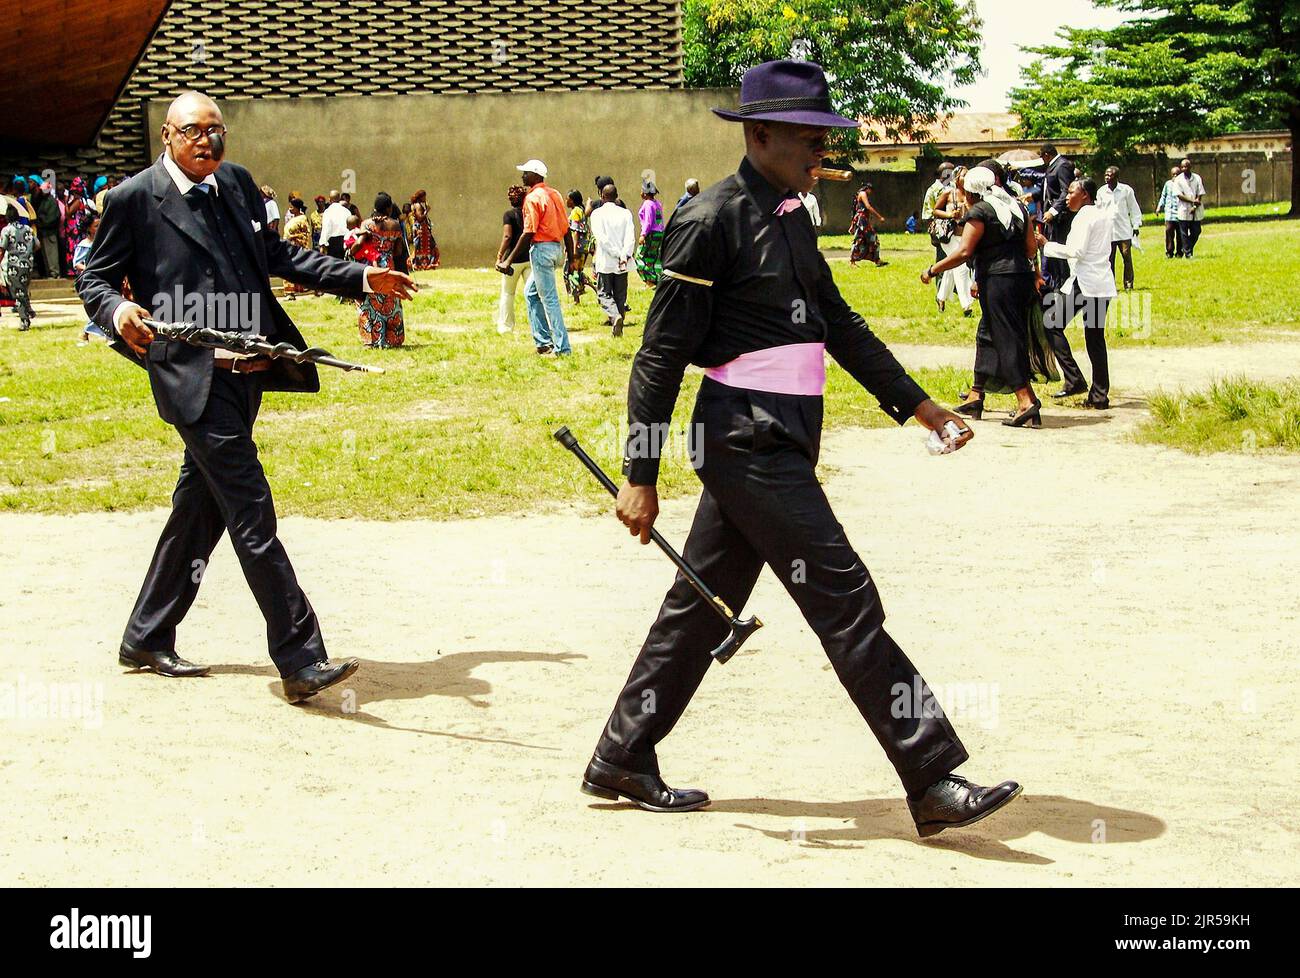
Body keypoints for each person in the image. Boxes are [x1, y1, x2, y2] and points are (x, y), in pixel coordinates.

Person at [584, 60, 1020, 836]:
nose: (822, 150)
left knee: (697, 611)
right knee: (846, 599)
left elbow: (839, 323)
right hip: (745, 442)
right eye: (809, 137)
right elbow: (657, 356)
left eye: (825, 136)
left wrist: (919, 406)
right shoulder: (707, 220)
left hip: (781, 439)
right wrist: (638, 475)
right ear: (759, 135)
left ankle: (623, 753)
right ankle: (930, 775)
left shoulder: (791, 213)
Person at [76, 91, 416, 700]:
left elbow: (279, 255)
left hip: (248, 371)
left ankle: (146, 634)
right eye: (194, 132)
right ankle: (300, 656)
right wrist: (118, 306)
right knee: (251, 509)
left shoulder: (235, 183)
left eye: (216, 130)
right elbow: (94, 277)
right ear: (168, 138)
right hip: (191, 376)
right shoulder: (134, 199)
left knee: (199, 507)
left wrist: (363, 277)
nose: (208, 142)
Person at [923, 165, 1043, 427]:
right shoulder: (1016, 207)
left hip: (998, 281)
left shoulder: (980, 211)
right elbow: (1031, 247)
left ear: (969, 190)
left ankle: (1026, 401)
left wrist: (933, 270)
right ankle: (976, 394)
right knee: (988, 333)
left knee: (1006, 338)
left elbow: (965, 251)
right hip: (1019, 276)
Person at [1037, 177, 1115, 410]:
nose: (1067, 196)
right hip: (1101, 283)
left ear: (1085, 195)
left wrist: (1045, 244)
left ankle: (1074, 379)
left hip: (1085, 284)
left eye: (1072, 192)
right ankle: (1099, 395)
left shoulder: (1084, 216)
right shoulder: (1102, 214)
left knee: (1051, 322)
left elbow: (1077, 251)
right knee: (1094, 338)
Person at [496, 159, 574, 356]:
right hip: (556, 248)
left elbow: (528, 232)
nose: (523, 176)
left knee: (550, 300)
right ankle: (542, 341)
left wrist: (508, 260)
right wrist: (571, 259)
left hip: (541, 250)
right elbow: (566, 229)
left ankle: (562, 348)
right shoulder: (555, 194)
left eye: (526, 172)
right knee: (531, 293)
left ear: (536, 175)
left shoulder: (532, 198)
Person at [354, 192, 406, 348]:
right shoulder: (395, 225)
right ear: (389, 208)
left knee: (369, 301)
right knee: (390, 300)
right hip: (388, 266)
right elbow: (398, 251)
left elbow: (358, 246)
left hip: (371, 266)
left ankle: (371, 339)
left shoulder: (366, 224)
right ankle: (393, 339)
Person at [588, 182, 635, 335]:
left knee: (603, 293)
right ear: (616, 197)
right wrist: (624, 254)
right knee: (620, 294)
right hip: (623, 261)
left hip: (606, 261)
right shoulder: (626, 213)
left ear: (602, 196)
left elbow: (601, 239)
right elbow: (630, 237)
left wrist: (616, 253)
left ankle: (615, 317)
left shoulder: (597, 214)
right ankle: (619, 324)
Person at [929, 166, 974, 316]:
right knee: (962, 268)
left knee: (951, 267)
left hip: (964, 235)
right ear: (956, 178)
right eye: (963, 175)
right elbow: (935, 210)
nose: (966, 178)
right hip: (948, 236)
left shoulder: (971, 194)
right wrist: (949, 214)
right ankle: (966, 305)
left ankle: (941, 297)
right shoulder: (949, 193)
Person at [1096, 166, 1142, 290]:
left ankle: (1128, 283)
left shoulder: (1126, 190)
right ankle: (1110, 285)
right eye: (1106, 175)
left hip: (1123, 231)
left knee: (1126, 257)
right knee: (1108, 260)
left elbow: (1134, 208)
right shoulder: (1101, 192)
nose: (1107, 177)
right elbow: (1098, 210)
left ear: (1116, 177)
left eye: (1110, 175)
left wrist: (1136, 225)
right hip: (1107, 232)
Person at [1038, 144, 1075, 291]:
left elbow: (1066, 191)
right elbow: (1049, 191)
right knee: (1052, 251)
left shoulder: (1062, 166)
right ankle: (1057, 283)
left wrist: (1053, 211)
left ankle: (1064, 283)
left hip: (1061, 218)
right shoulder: (1052, 167)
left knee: (1059, 250)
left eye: (1042, 156)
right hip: (1052, 217)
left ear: (1047, 154)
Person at [494, 185, 528, 334]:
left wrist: (500, 255)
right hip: (529, 259)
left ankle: (506, 327)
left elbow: (507, 237)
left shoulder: (508, 215)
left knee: (508, 294)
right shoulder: (529, 213)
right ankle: (539, 325)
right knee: (534, 294)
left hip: (512, 261)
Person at [0, 205, 37, 330]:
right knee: (23, 289)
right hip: (28, 264)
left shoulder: (7, 230)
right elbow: (37, 244)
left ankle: (24, 319)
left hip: (14, 265)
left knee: (18, 292)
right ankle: (29, 309)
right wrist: (27, 252)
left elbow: (2, 248)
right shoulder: (27, 229)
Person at [280, 195, 314, 299]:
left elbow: (305, 235)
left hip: (296, 249)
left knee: (290, 269)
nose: (290, 209)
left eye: (291, 207)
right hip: (289, 248)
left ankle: (291, 293)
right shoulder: (294, 219)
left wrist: (292, 238)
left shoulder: (302, 219)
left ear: (297, 208)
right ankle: (290, 292)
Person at [848, 181, 886, 267]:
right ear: (867, 188)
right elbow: (868, 207)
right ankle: (852, 261)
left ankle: (876, 260)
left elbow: (856, 211)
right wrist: (879, 217)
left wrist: (852, 225)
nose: (871, 192)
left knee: (865, 240)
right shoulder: (863, 193)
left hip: (862, 220)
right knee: (867, 239)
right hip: (861, 221)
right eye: (871, 190)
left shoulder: (861, 194)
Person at [564, 189, 593, 302]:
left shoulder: (576, 211)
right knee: (578, 271)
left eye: (568, 199)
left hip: (577, 247)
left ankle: (574, 297)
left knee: (568, 272)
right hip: (584, 247)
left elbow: (576, 232)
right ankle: (591, 288)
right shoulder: (581, 210)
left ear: (573, 201)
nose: (566, 201)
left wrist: (573, 249)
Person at [1173, 158, 1206, 258]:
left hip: (1196, 209)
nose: (1184, 168)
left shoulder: (1197, 178)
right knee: (1184, 233)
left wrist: (1195, 205)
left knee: (1196, 231)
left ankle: (1187, 247)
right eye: (1182, 167)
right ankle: (1188, 254)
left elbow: (1200, 192)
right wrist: (1192, 201)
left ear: (1190, 167)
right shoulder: (1178, 180)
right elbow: (1179, 195)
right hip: (1183, 209)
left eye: (1186, 166)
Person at [635, 181, 665, 286]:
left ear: (645, 192)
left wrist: (643, 235)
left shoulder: (647, 204)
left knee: (639, 257)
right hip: (659, 234)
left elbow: (648, 221)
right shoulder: (657, 203)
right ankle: (657, 280)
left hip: (651, 234)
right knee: (653, 258)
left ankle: (650, 281)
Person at [32, 180, 62, 279]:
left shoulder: (51, 201)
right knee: (46, 254)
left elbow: (52, 217)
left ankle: (54, 273)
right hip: (44, 232)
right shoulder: (43, 200)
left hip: (50, 232)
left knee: (51, 253)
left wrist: (40, 222)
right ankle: (49, 273)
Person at [409, 190, 440, 269]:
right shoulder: (418, 206)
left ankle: (420, 264)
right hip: (421, 230)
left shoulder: (414, 205)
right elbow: (420, 218)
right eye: (424, 196)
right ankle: (424, 264)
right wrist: (427, 211)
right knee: (430, 247)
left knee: (420, 247)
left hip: (420, 229)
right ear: (421, 197)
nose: (425, 198)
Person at [1156, 166, 1182, 258]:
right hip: (1169, 213)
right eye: (1173, 174)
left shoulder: (1183, 184)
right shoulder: (1168, 184)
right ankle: (1169, 252)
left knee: (1180, 234)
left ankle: (1179, 252)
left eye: (1177, 174)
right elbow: (1163, 196)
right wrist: (1159, 207)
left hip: (1180, 213)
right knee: (1169, 232)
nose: (1175, 176)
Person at [318, 189, 350, 259]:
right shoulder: (347, 211)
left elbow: (326, 228)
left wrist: (322, 243)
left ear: (329, 199)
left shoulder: (328, 211)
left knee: (335, 266)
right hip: (346, 241)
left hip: (333, 243)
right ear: (339, 198)